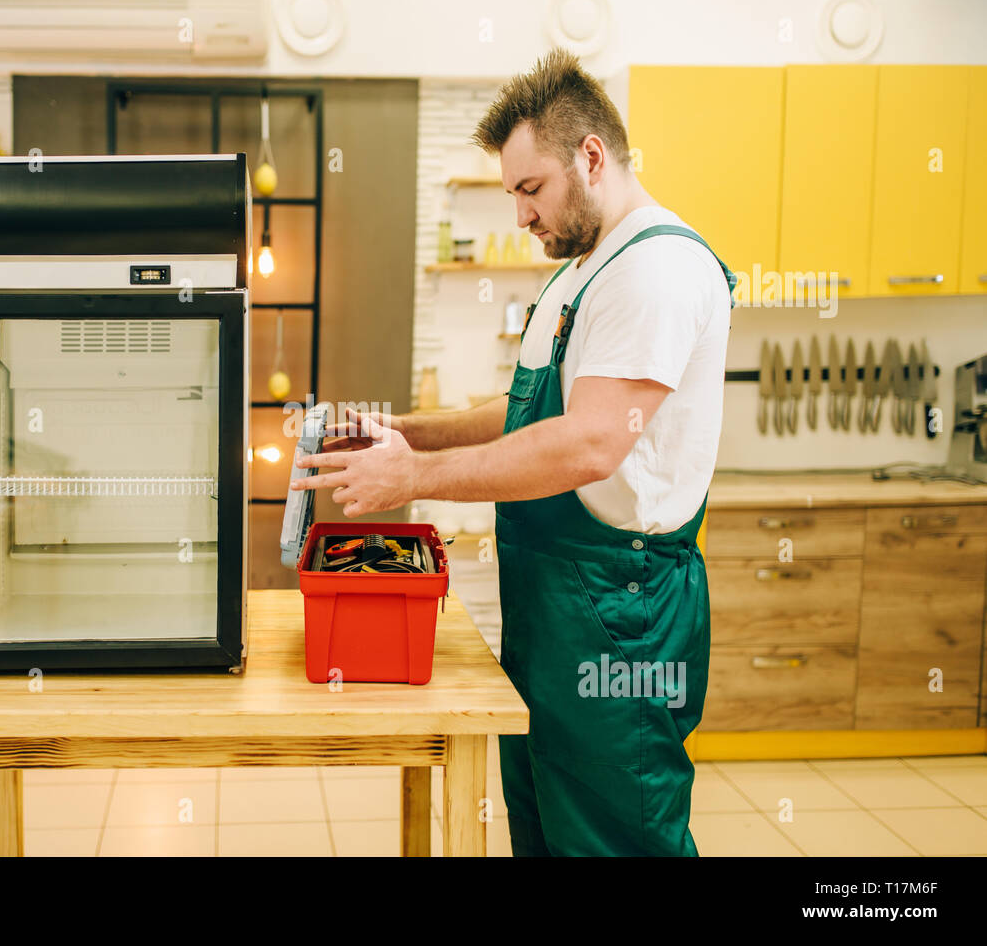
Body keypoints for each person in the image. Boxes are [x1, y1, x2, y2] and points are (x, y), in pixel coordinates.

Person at [289, 47, 735, 855]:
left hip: (621, 612)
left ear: (591, 157)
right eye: (512, 195)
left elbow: (591, 442)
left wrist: (415, 477)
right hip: (555, 604)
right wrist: (400, 431)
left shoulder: (659, 269)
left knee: (615, 836)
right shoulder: (579, 274)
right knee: (544, 829)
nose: (521, 217)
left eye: (532, 190)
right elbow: (525, 410)